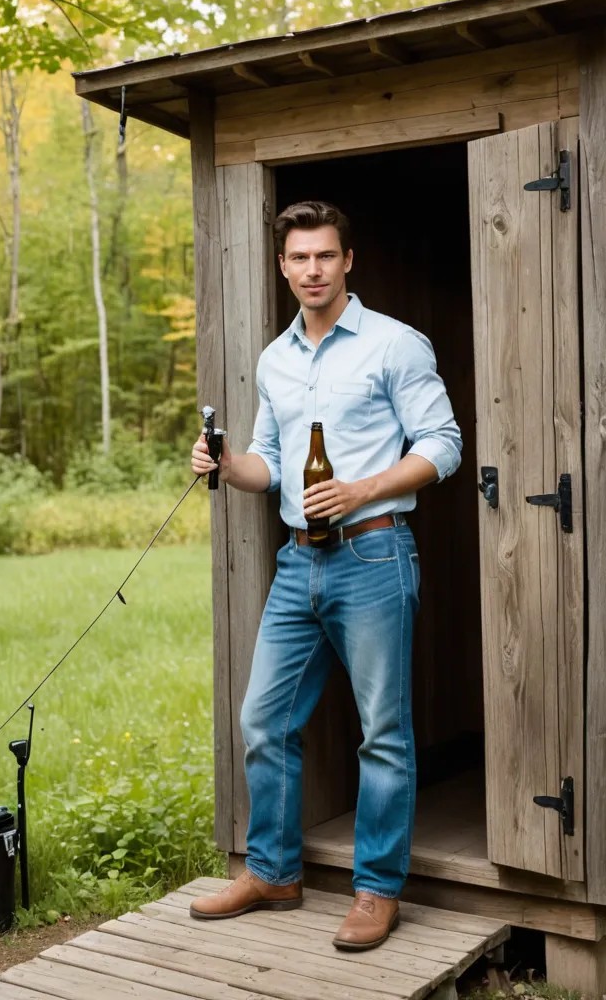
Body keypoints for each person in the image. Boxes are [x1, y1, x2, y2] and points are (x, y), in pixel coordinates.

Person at [189, 200, 462, 951]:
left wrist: (360, 489)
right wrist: (224, 463)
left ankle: (377, 890)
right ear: (282, 266)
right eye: (299, 258)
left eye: (325, 256)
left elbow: (444, 444)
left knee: (384, 732)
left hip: (375, 554)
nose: (313, 270)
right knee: (262, 720)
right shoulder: (274, 360)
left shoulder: (394, 344)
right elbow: (267, 464)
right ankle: (273, 873)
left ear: (348, 261)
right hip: (296, 562)